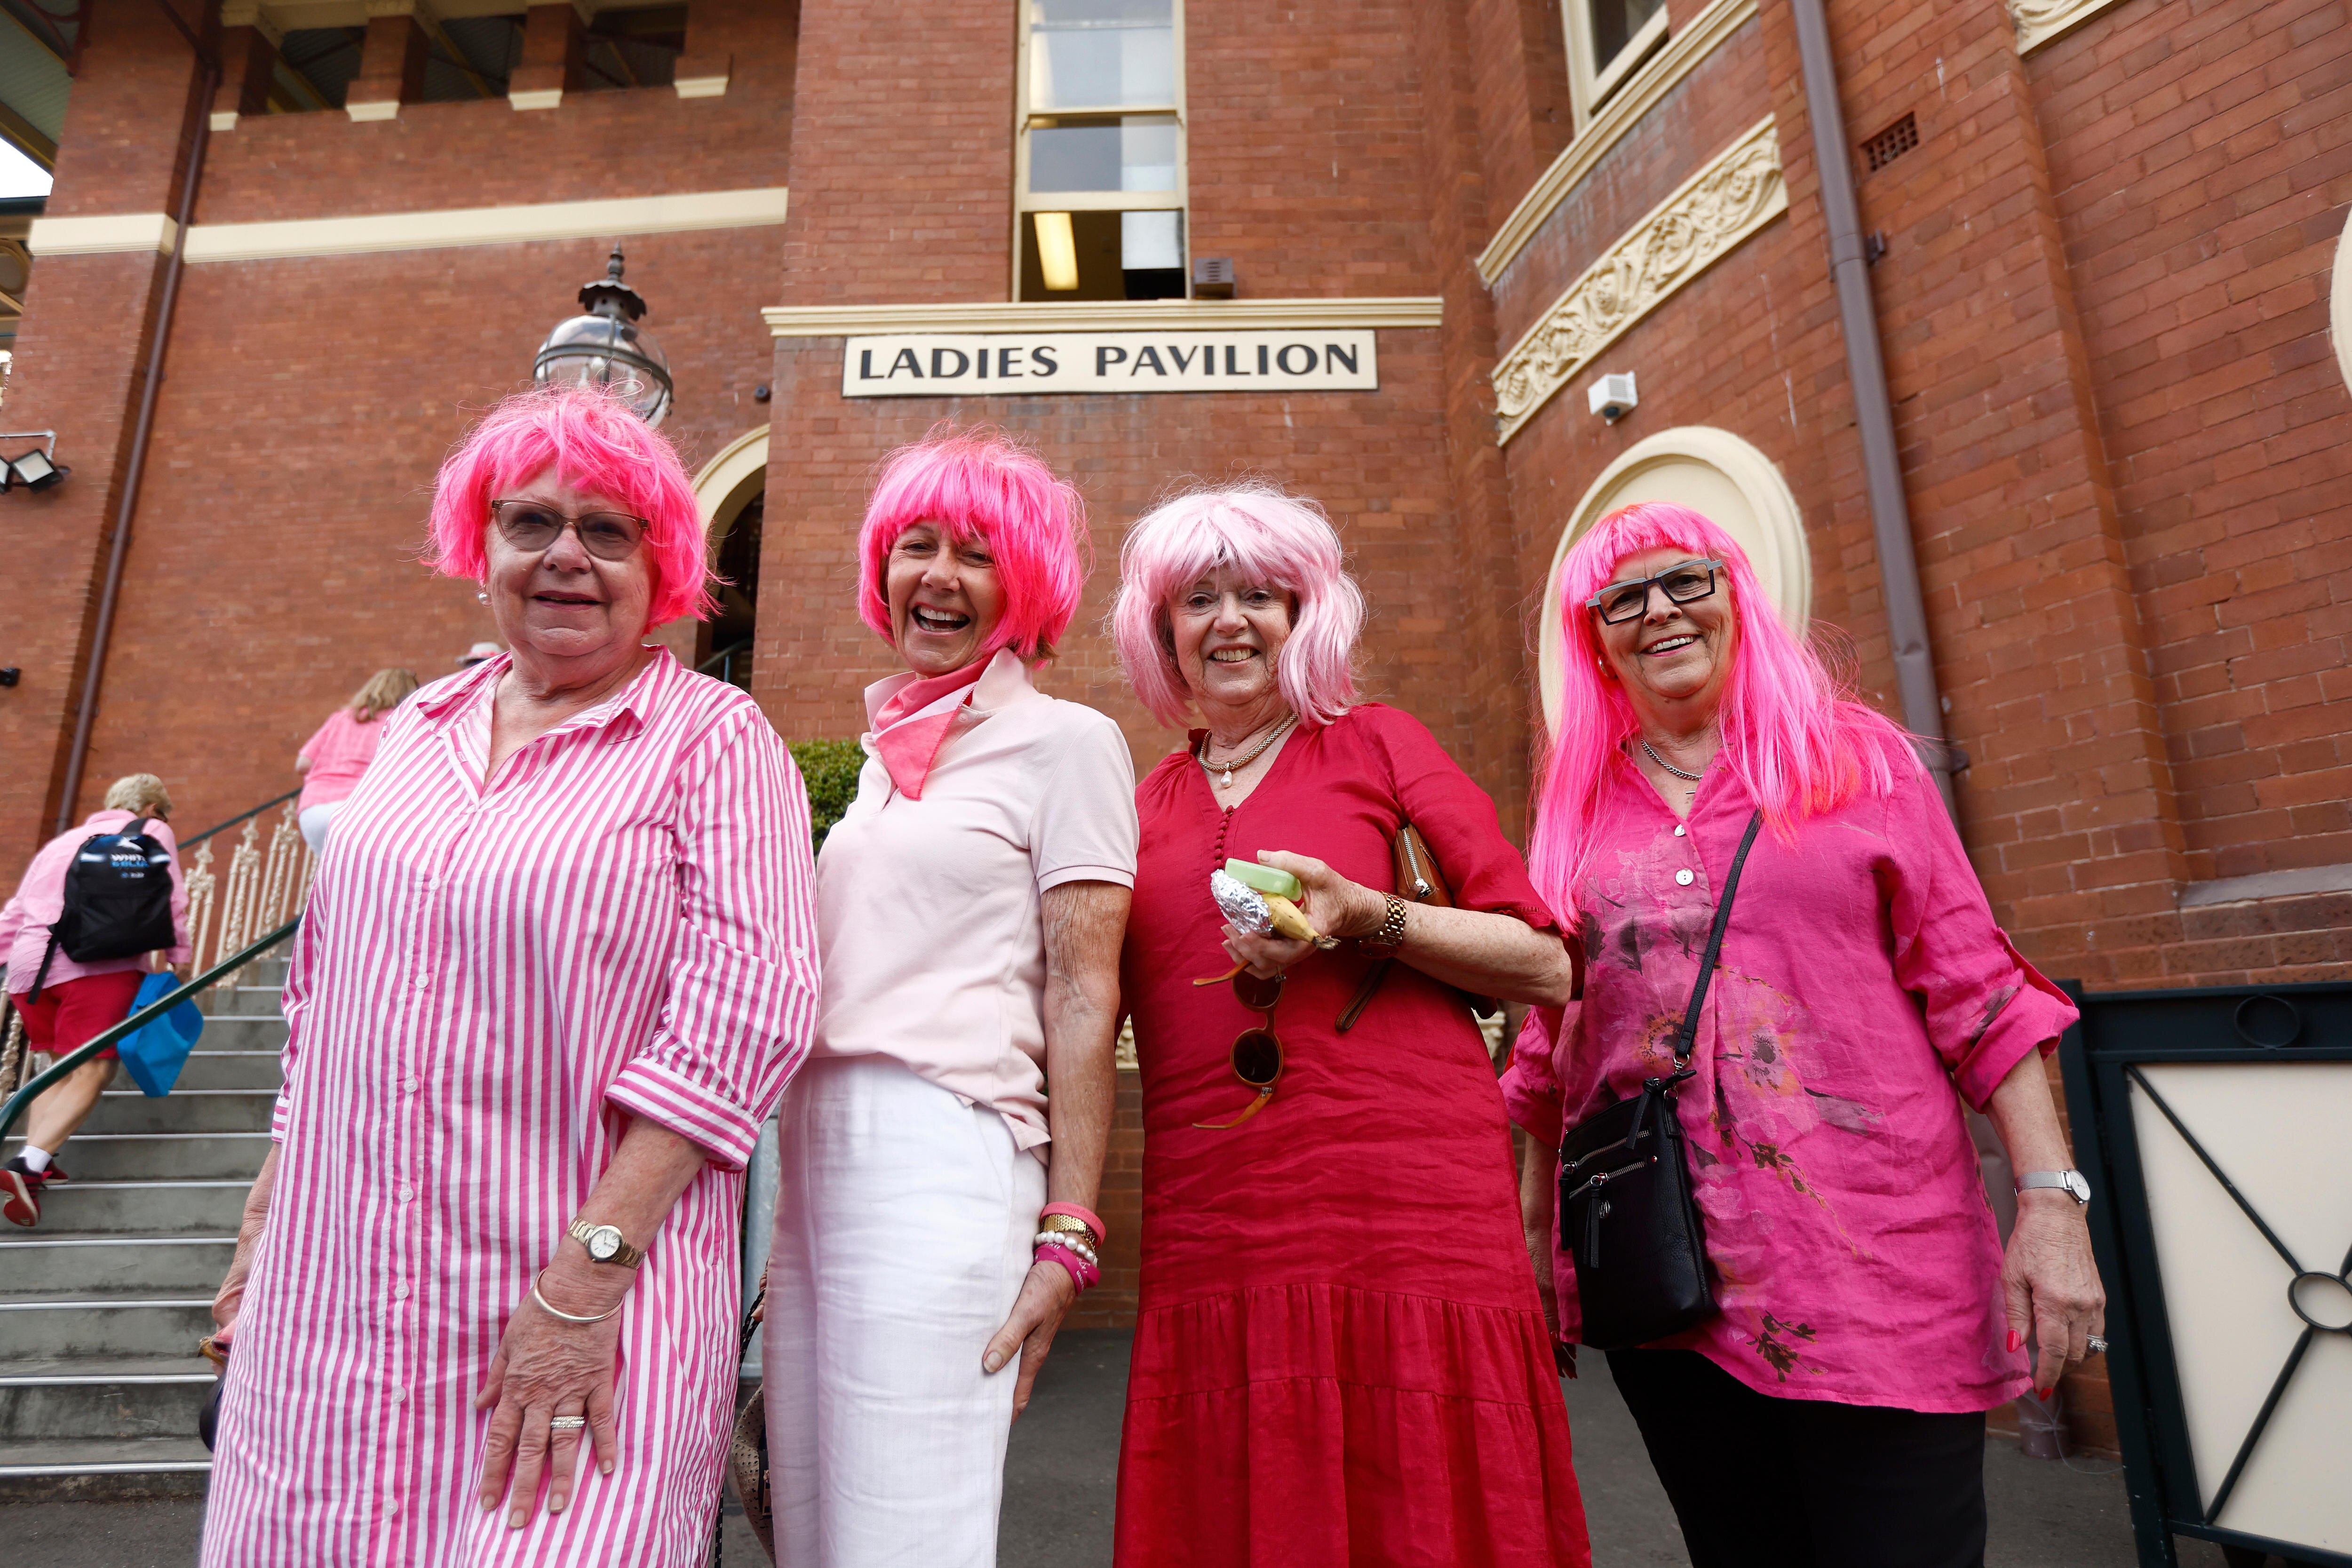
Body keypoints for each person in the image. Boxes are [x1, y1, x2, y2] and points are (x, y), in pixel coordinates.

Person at [199, 386, 822, 1568]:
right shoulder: (415, 733)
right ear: (478, 545)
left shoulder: (713, 742)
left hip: (576, 1298)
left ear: (663, 562)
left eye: (608, 530)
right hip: (337, 1307)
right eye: (531, 523)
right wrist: (260, 1231)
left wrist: (581, 1292)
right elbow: (319, 1004)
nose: (566, 558)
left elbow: (743, 1022)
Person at [1504, 502, 2106, 1568]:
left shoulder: (1854, 765)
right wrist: (1531, 1247)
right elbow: (1554, 1056)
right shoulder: (1576, 814)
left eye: (1685, 581)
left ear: (1737, 592)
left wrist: (2052, 1205)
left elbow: (1978, 990)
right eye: (1622, 598)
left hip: (1879, 1272)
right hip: (1668, 1286)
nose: (1659, 613)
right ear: (1594, 637)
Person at [1107, 484, 1591, 1568]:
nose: (1229, 619)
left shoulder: (1377, 743)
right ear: (1162, 631)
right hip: (1217, 1216)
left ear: (1303, 616)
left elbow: (1548, 964)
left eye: (1260, 595)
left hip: (1404, 1197)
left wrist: (1364, 916)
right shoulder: (1136, 806)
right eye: (1197, 598)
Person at [761, 431, 1135, 1568]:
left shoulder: (1069, 743)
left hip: (943, 1146)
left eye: (975, 554)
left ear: (1021, 588)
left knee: (903, 1535)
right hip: (814, 1155)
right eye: (915, 545)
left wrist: (1069, 1229)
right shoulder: (883, 760)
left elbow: (1084, 988)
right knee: (813, 1526)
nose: (938, 575)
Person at [0, 773, 190, 1227]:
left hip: (30, 969)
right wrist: (179, 959)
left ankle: (38, 1161)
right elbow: (172, 898)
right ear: (150, 808)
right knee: (96, 1066)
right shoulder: (150, 831)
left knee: (60, 1066)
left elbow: (15, 910)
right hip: (98, 965)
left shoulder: (63, 842)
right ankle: (26, 1164)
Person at [294, 667, 420, 852]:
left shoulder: (342, 718)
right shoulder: (400, 721)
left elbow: (303, 763)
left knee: (330, 874)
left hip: (313, 809)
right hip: (358, 809)